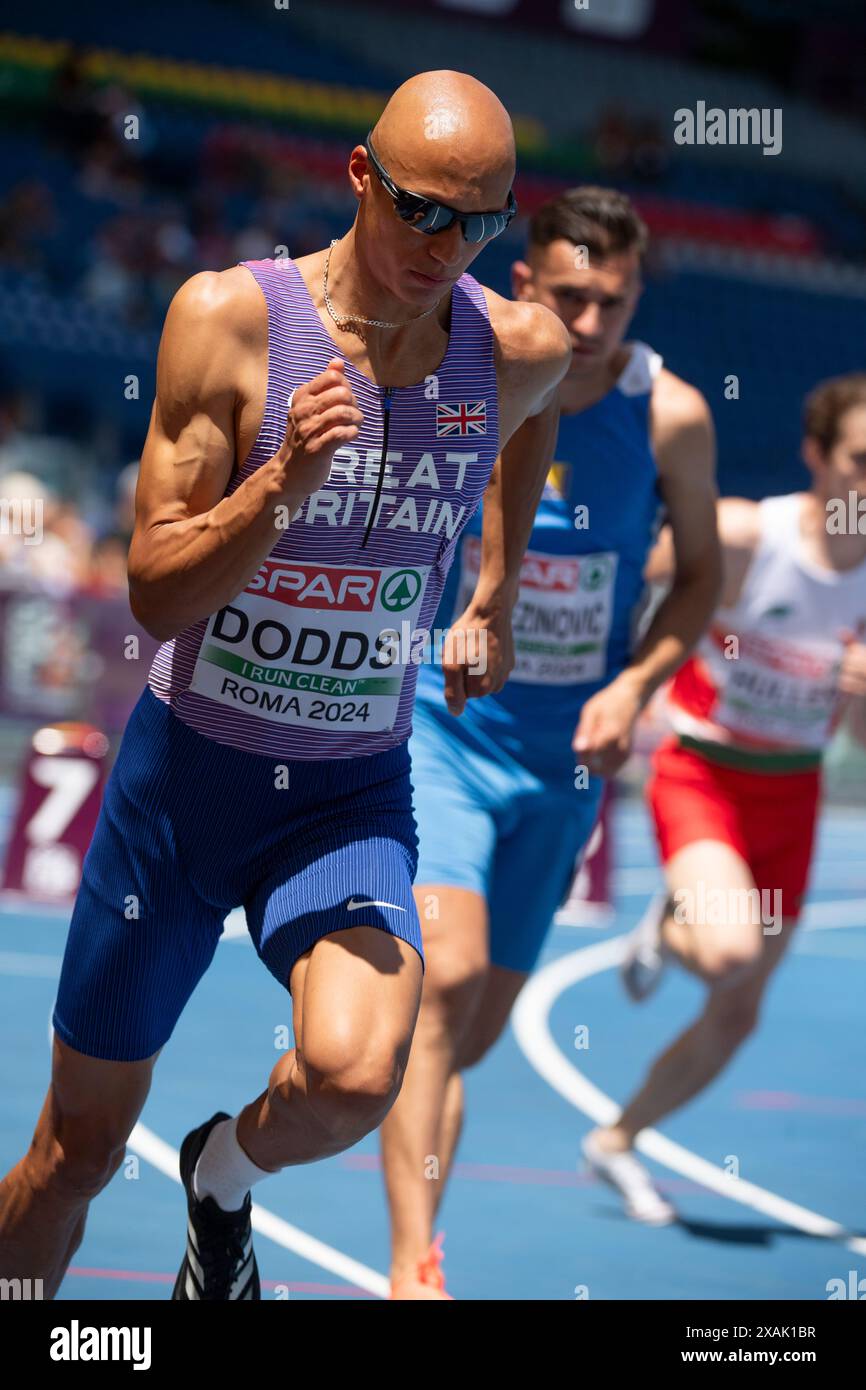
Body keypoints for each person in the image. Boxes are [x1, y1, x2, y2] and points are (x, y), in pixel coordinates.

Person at [0, 71, 574, 1302]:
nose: (446, 247)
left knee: (359, 1076)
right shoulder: (231, 321)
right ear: (359, 177)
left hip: (343, 798)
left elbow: (533, 416)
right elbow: (155, 591)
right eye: (422, 210)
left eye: (480, 224)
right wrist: (277, 489)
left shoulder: (512, 348)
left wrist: (496, 584)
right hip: (179, 791)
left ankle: (218, 1175)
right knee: (74, 1155)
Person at [380, 185, 722, 1298]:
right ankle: (411, 1267)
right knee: (447, 983)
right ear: (522, 281)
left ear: (632, 303)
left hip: (568, 760)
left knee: (462, 1037)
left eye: (608, 304)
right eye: (565, 296)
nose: (583, 325)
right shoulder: (456, 360)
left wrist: (634, 684)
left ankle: (336, 1081)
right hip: (443, 726)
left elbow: (701, 579)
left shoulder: (666, 414)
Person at [584, 372, 866, 1223]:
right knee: (733, 952)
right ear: (817, 456)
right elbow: (629, 571)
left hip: (796, 789)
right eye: (861, 459)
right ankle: (673, 921)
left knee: (737, 1011)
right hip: (704, 767)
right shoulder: (748, 535)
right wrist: (627, 684)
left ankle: (619, 1139)